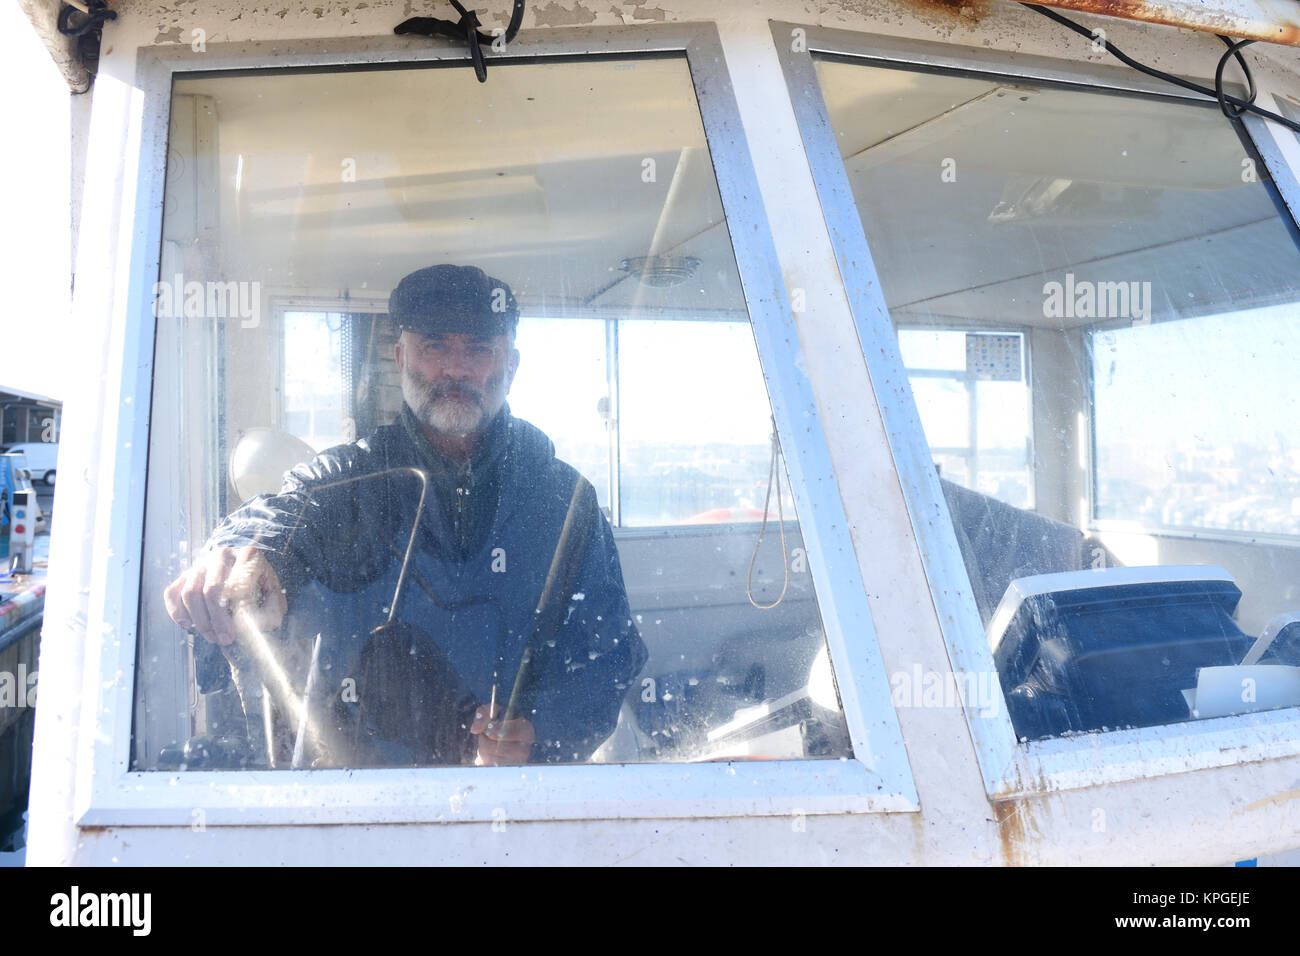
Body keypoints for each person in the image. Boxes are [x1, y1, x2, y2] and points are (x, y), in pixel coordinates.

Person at [163, 264, 647, 767]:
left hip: (523, 791)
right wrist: (238, 556)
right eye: (434, 345)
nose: (456, 369)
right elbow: (280, 515)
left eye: (479, 348)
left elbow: (610, 654)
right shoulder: (351, 478)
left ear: (512, 363)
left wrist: (541, 734)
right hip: (370, 794)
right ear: (401, 358)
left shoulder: (565, 499)